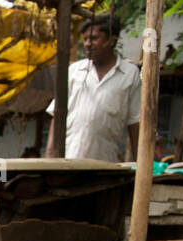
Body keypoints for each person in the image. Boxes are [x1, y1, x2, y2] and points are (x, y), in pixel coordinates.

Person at [45, 14, 141, 162]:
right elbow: (57, 115)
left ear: (111, 40)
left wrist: (141, 164)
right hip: (68, 160)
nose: (88, 44)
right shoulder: (75, 71)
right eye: (85, 39)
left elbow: (135, 122)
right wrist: (49, 157)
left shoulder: (129, 74)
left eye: (94, 38)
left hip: (104, 164)